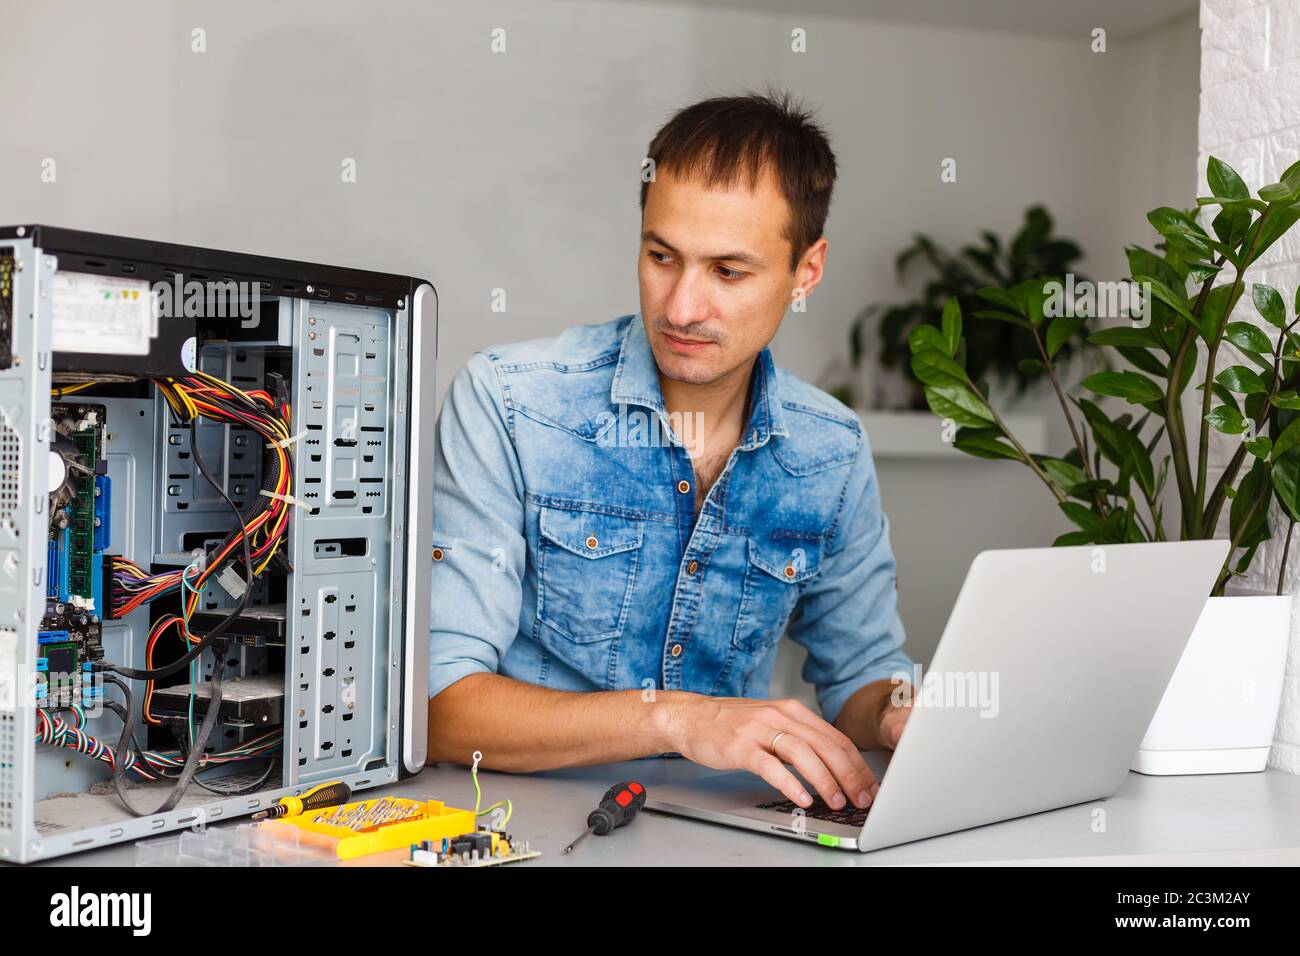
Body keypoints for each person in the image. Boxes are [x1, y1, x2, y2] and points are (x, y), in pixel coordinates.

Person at [426, 90, 914, 815]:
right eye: (662, 257)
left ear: (806, 271)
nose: (682, 308)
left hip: (723, 833)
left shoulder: (831, 450)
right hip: (520, 824)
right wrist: (678, 718)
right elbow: (441, 705)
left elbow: (862, 676)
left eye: (728, 271)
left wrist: (901, 710)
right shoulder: (508, 402)